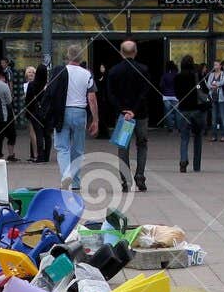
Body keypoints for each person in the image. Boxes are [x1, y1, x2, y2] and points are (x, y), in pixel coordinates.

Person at [106, 40, 159, 192]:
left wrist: (123, 110)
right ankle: (140, 176)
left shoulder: (114, 71)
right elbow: (146, 92)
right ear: (135, 52)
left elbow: (110, 94)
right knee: (142, 144)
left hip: (123, 116)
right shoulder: (144, 69)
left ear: (121, 52)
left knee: (123, 147)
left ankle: (125, 180)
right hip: (140, 114)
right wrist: (134, 110)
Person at [49, 44, 97, 187]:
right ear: (81, 58)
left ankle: (66, 176)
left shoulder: (60, 72)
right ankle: (75, 181)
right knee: (78, 149)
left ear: (67, 56)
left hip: (62, 111)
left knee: (62, 148)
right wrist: (95, 119)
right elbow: (92, 98)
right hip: (79, 112)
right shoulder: (87, 74)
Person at [174, 55, 203, 172]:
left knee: (184, 137)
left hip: (183, 109)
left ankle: (183, 160)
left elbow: (176, 93)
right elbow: (201, 90)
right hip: (196, 110)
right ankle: (197, 165)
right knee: (198, 137)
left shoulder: (177, 77)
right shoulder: (197, 76)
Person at [23, 65, 49, 161]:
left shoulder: (32, 84)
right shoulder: (47, 85)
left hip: (34, 111)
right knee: (46, 135)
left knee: (38, 134)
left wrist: (27, 113)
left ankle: (39, 155)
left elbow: (28, 100)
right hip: (45, 112)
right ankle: (46, 155)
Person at [208, 61, 224, 139]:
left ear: (220, 66)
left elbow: (223, 82)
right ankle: (214, 136)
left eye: (216, 64)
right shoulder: (211, 74)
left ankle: (223, 135)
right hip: (213, 98)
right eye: (214, 65)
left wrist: (215, 84)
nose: (215, 66)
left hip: (222, 98)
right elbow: (208, 84)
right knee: (214, 118)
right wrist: (213, 86)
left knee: (223, 117)